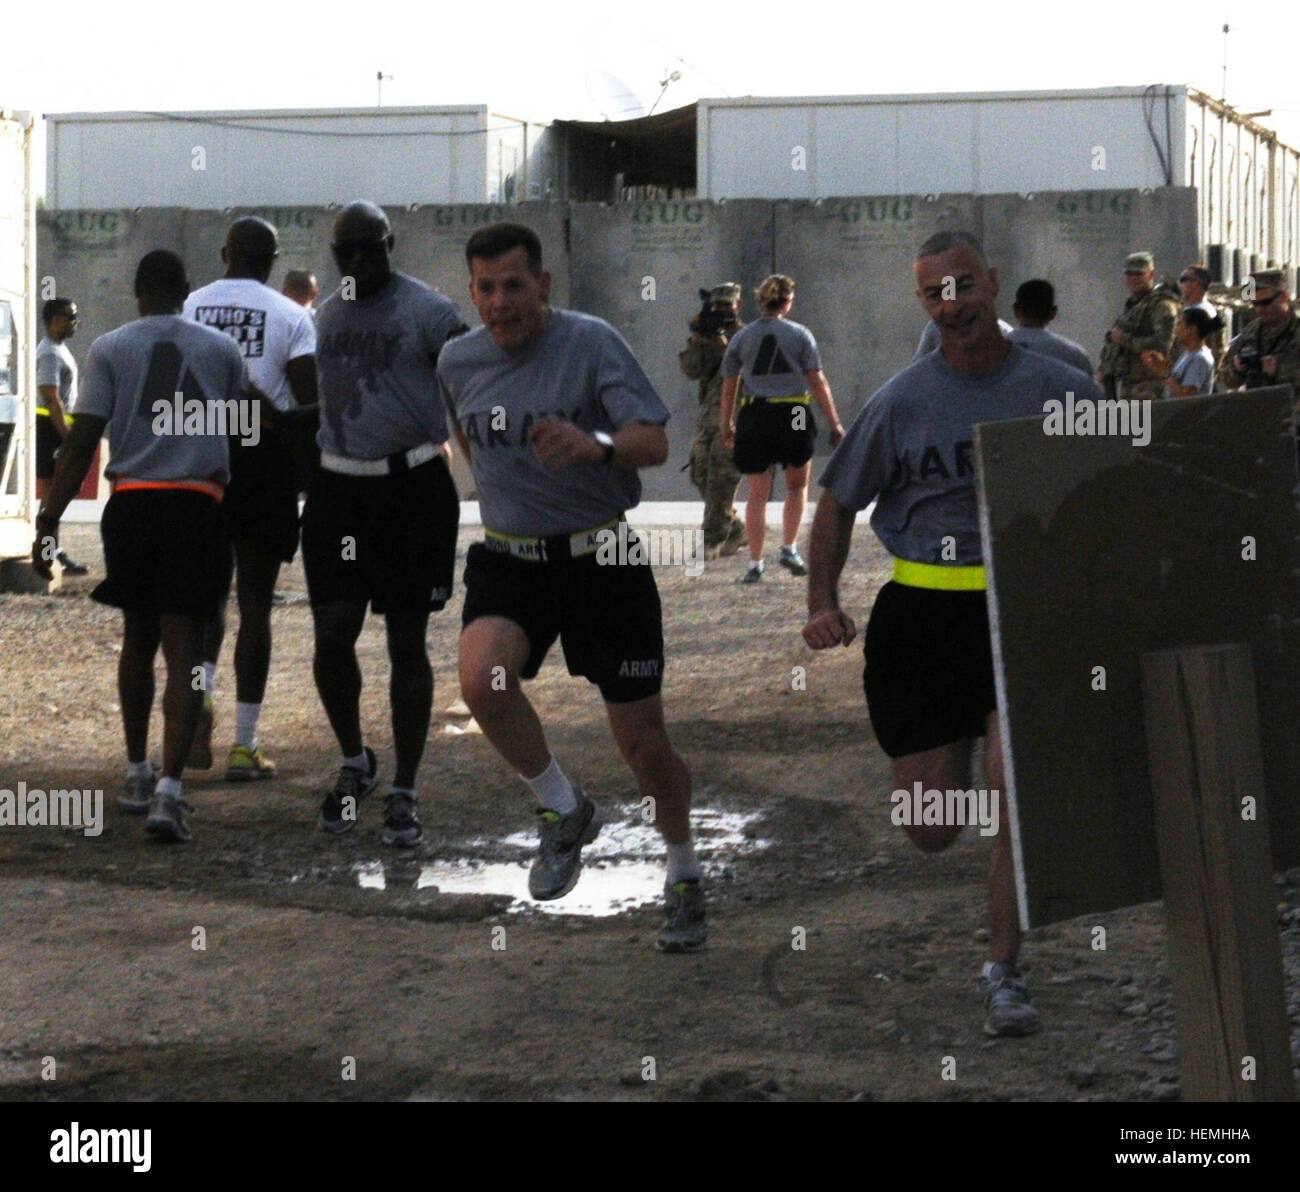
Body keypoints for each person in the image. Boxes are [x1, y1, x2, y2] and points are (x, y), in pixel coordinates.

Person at [803, 230, 1108, 1037]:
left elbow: (1114, 488)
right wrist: (819, 599)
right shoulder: (902, 400)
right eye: (935, 292)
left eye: (964, 284)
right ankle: (976, 767)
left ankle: (1005, 971)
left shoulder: (1061, 385)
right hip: (926, 621)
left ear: (993, 284)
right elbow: (835, 503)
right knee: (932, 827)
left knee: (1014, 794)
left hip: (1024, 609)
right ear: (922, 304)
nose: (953, 303)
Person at [438, 222, 706, 952]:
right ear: (472, 292)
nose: (500, 303)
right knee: (482, 683)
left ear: (544, 286)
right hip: (511, 558)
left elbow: (654, 441)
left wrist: (599, 446)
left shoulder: (591, 342)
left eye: (514, 285)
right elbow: (467, 446)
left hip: (601, 559)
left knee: (643, 745)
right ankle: (563, 808)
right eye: (485, 289)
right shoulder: (457, 361)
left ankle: (682, 873)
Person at [32, 250, 252, 843]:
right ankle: (169, 794)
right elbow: (244, 431)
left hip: (130, 504)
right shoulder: (222, 350)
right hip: (197, 504)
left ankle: (135, 772)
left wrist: (49, 520)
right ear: (187, 290)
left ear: (136, 290)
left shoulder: (108, 348)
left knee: (138, 638)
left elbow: (80, 442)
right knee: (187, 650)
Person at [304, 200, 466, 846]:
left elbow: (470, 379)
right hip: (339, 487)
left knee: (407, 640)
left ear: (389, 244)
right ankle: (354, 761)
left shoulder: (428, 310)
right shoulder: (324, 312)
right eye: (347, 252)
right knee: (332, 633)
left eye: (370, 248)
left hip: (413, 489)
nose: (359, 261)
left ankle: (405, 788)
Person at [182, 217, 318, 780]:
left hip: (200, 458)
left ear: (223, 253)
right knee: (256, 604)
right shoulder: (293, 315)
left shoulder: (189, 306)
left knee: (206, 598)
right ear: (272, 260)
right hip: (263, 465)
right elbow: (310, 407)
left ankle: (202, 693)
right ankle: (243, 745)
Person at [720, 274, 844, 584]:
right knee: (797, 486)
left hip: (755, 413)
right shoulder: (800, 334)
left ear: (760, 301)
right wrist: (834, 423)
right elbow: (817, 380)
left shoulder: (742, 338)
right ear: (788, 302)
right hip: (795, 412)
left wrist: (726, 425)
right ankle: (788, 547)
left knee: (757, 494)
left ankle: (755, 562)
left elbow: (729, 385)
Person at [679, 284, 746, 558]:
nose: (723, 311)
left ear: (738, 306)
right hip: (708, 415)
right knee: (699, 472)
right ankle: (735, 527)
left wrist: (725, 347)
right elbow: (692, 371)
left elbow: (751, 371)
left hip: (736, 415)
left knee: (722, 474)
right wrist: (697, 339)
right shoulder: (706, 332)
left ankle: (711, 540)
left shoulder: (747, 335)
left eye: (728, 306)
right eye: (718, 306)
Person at [34, 298, 88, 573]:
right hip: (51, 431)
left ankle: (51, 549)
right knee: (55, 492)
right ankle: (46, 551)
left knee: (61, 489)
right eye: (71, 317)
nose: (75, 322)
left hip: (57, 430)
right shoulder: (50, 354)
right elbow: (51, 397)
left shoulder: (58, 350)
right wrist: (68, 437)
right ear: (55, 319)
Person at [1097, 251, 1180, 400]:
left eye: (1139, 274)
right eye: (1129, 274)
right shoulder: (1135, 305)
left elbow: (1162, 344)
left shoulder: (1162, 305)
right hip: (1129, 385)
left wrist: (1125, 339)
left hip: (1151, 386)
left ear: (1151, 274)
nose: (1134, 278)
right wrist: (1104, 369)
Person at [1219, 269, 1300, 393]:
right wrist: (1236, 369)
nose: (1260, 309)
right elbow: (1222, 381)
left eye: (1266, 303)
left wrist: (1279, 369)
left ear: (1284, 297)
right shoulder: (1250, 334)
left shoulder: (1296, 331)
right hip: (1258, 408)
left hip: (1292, 410)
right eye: (1255, 304)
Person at [1006, 279, 1093, 376]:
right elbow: (1074, 390)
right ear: (1053, 313)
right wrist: (1068, 392)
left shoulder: (995, 350)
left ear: (1016, 310)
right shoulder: (1073, 354)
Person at [1140, 307, 1221, 398]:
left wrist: (1165, 373)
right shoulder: (1188, 354)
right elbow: (1173, 384)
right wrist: (1160, 366)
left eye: (1179, 324)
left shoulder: (1199, 359)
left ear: (1192, 329)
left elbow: (1186, 396)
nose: (1176, 329)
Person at [1177, 264, 1224, 370]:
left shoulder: (1206, 312)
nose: (1180, 284)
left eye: (1184, 279)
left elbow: (1214, 348)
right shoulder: (1186, 309)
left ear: (1196, 283)